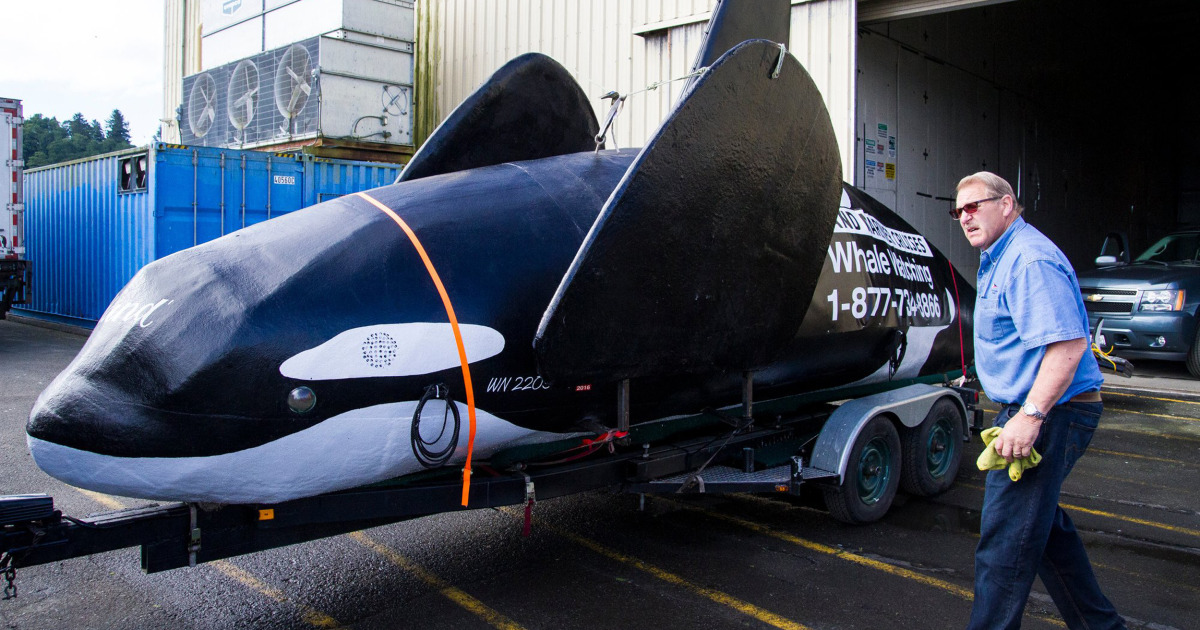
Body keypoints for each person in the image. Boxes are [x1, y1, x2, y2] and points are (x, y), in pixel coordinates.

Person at [953, 171, 1124, 629]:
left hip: (1053, 412)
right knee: (1043, 531)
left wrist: (1029, 417)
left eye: (975, 205)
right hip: (1040, 408)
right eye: (959, 210)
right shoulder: (1000, 255)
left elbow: (1068, 346)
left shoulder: (1029, 260)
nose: (965, 216)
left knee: (1005, 546)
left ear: (1007, 204)